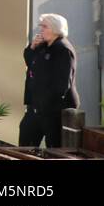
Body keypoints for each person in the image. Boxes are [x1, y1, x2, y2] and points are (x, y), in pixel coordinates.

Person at [19, 13, 80, 148]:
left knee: (53, 147)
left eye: (44, 26)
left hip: (53, 109)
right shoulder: (44, 45)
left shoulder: (63, 49)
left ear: (55, 29)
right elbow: (31, 62)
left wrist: (44, 104)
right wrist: (32, 47)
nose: (41, 29)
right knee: (25, 138)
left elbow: (63, 84)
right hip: (36, 107)